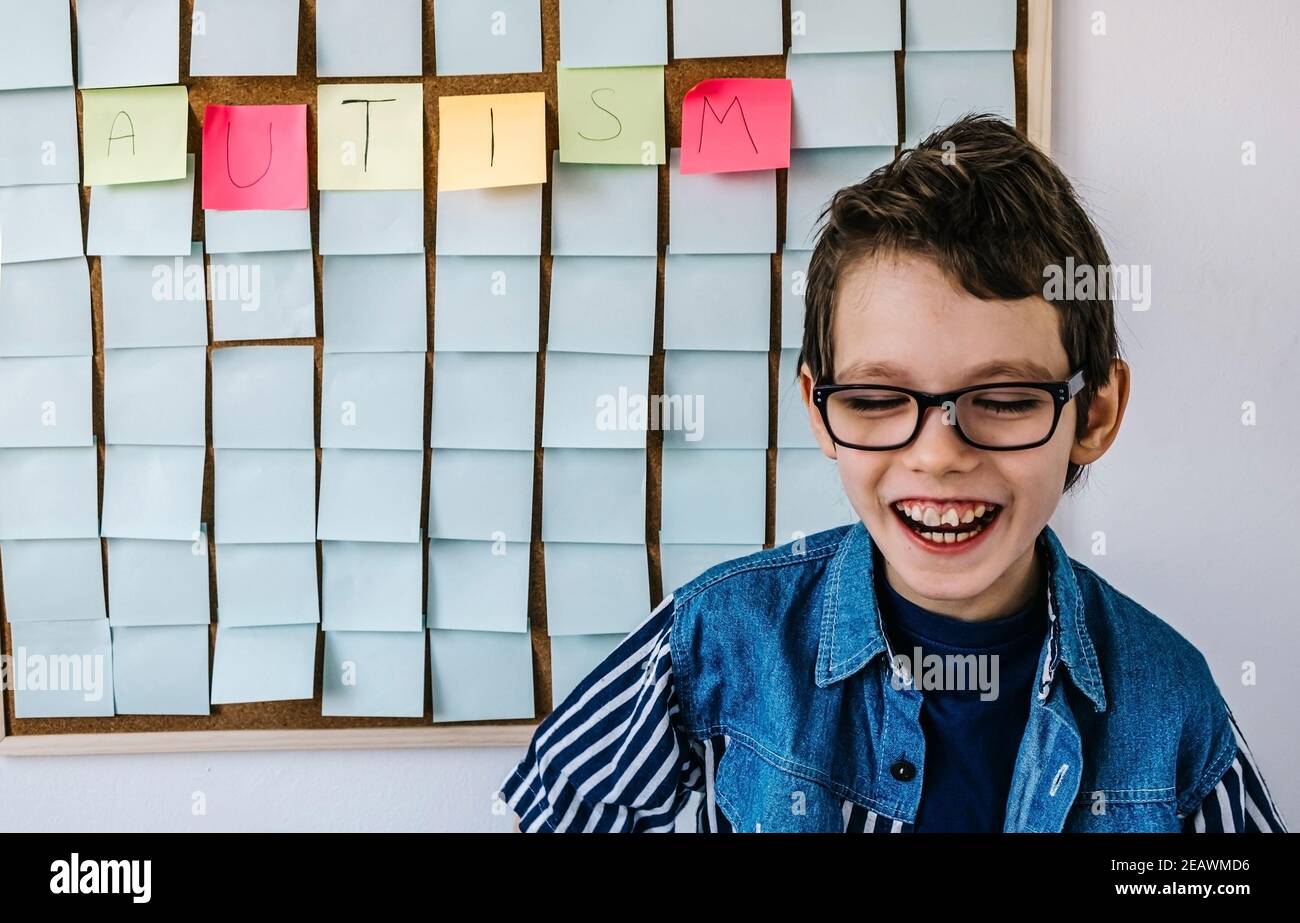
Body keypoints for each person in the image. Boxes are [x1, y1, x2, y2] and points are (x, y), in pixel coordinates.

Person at [498, 114, 1287, 833]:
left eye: (1006, 399)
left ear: (1098, 411)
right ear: (819, 407)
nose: (939, 454)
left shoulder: (1173, 701)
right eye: (877, 398)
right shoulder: (715, 639)